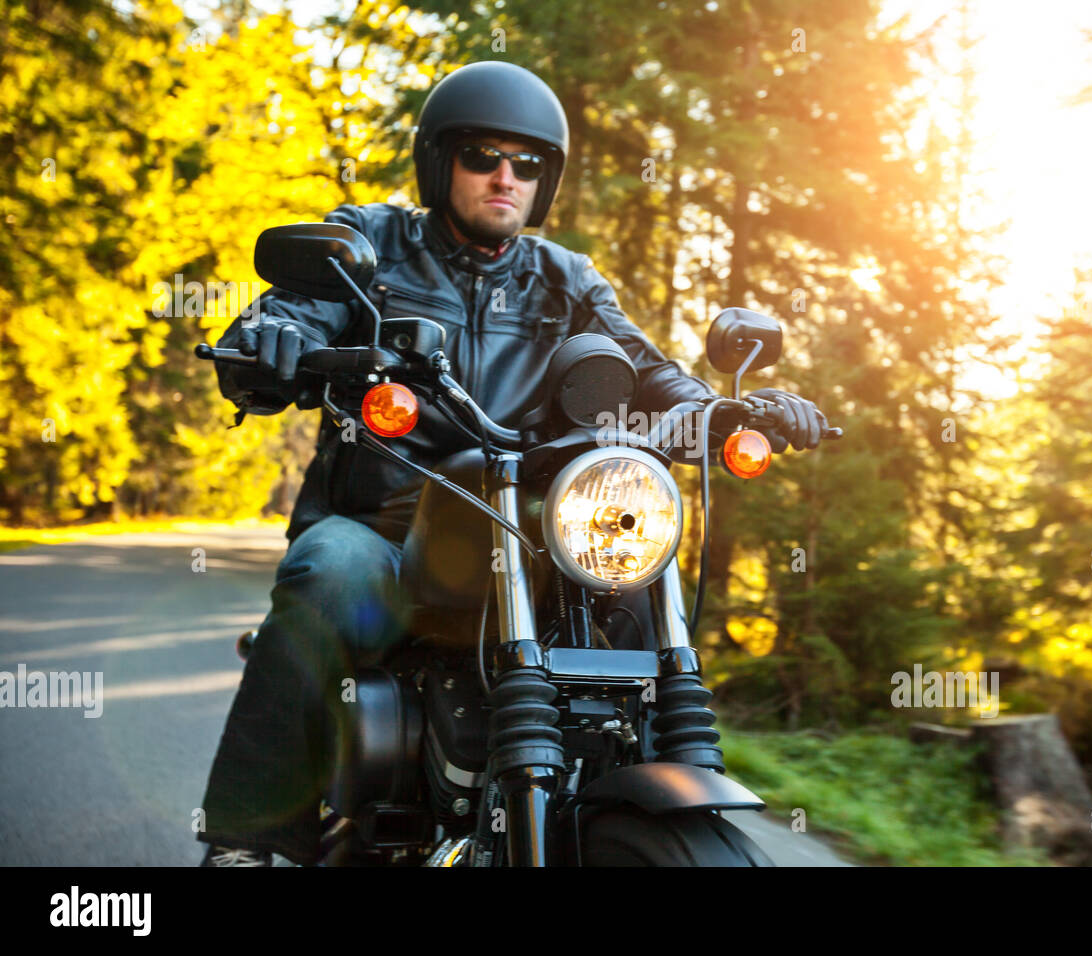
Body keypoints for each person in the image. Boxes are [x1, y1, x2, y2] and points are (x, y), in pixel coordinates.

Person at [197, 60, 830, 866]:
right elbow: (294, 306)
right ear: (440, 163)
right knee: (327, 572)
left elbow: (649, 369)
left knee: (625, 588)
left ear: (546, 180)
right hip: (389, 524)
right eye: (482, 156)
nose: (505, 176)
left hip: (530, 526)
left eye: (527, 163)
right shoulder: (372, 242)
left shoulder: (567, 279)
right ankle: (249, 844)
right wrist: (271, 338)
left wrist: (725, 410)